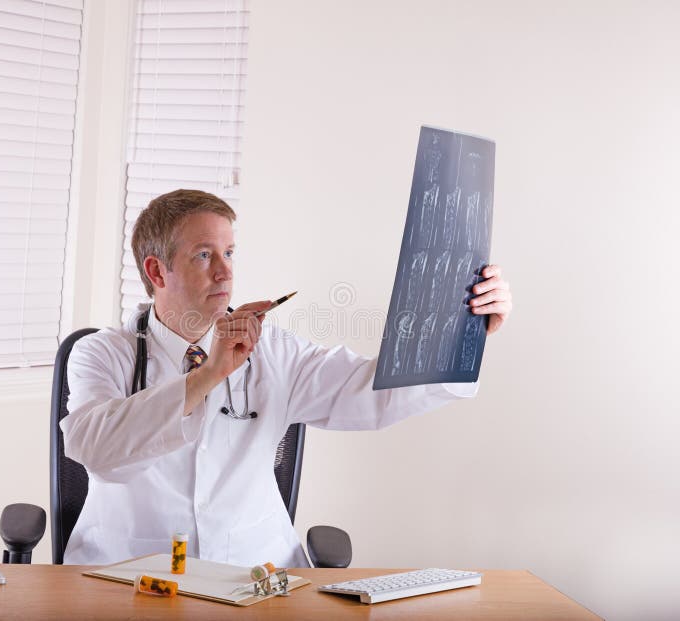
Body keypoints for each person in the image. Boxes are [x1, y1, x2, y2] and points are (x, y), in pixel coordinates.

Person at [60, 189, 513, 566]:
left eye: (230, 252)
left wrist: (465, 330)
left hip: (254, 577)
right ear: (157, 271)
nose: (226, 271)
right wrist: (210, 373)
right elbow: (97, 451)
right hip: (127, 579)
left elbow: (376, 394)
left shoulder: (274, 351)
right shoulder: (102, 354)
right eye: (204, 255)